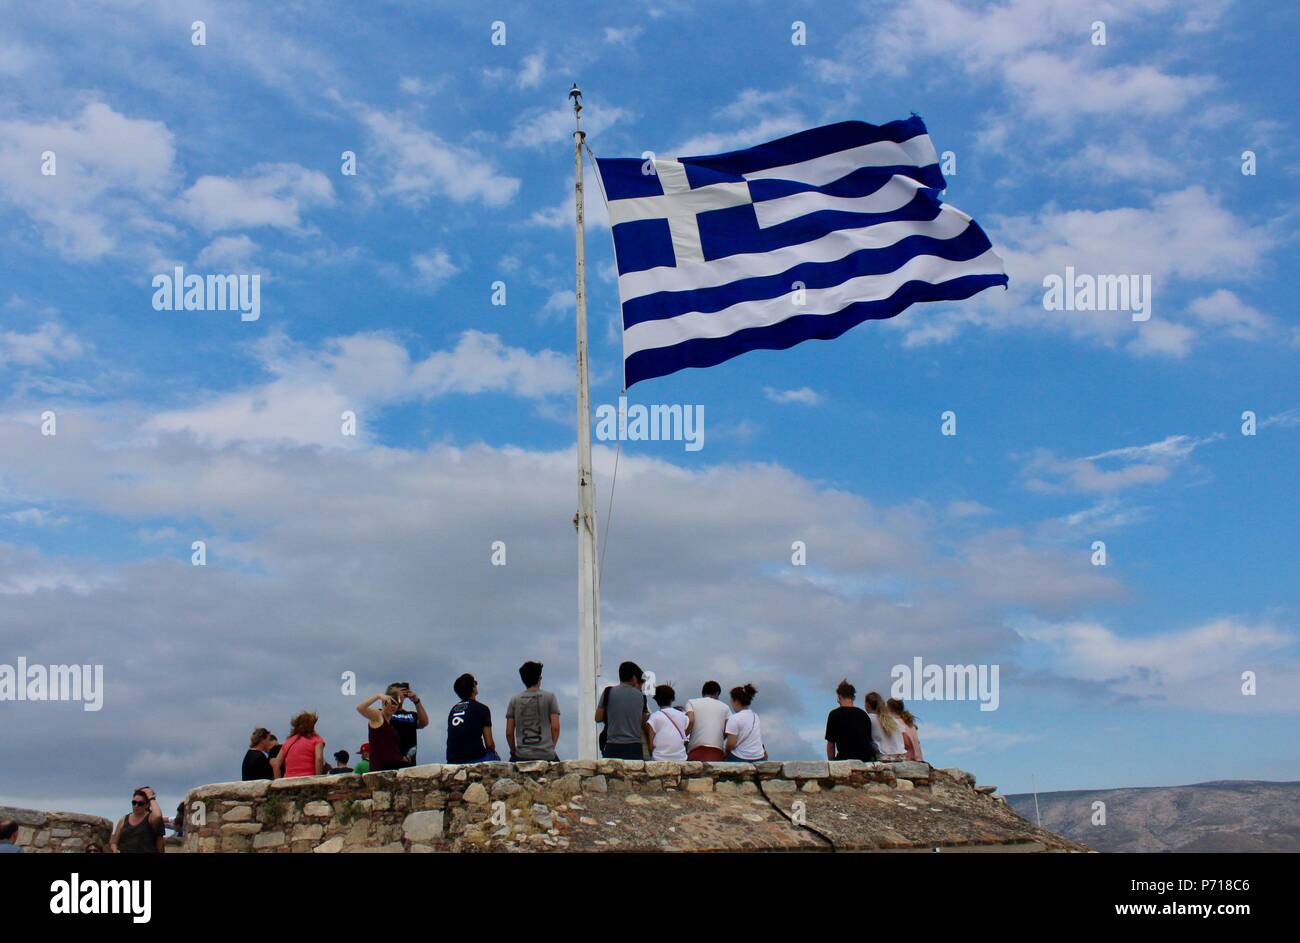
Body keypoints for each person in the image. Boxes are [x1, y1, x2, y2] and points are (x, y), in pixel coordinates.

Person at [505, 661, 561, 761]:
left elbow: (509, 732)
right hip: (546, 755)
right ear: (539, 678)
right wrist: (551, 748)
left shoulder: (514, 700)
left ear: (523, 679)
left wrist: (513, 751)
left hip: (522, 756)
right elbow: (555, 727)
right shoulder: (550, 697)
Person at [595, 661, 649, 760]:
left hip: (612, 746)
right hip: (634, 747)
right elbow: (643, 723)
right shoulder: (642, 697)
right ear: (634, 678)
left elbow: (598, 718)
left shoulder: (608, 692)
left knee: (611, 775)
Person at [446, 673, 498, 763]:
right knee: (495, 758)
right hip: (474, 758)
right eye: (475, 683)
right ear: (473, 688)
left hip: (452, 760)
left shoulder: (453, 710)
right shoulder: (482, 709)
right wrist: (493, 753)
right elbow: (489, 744)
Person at [824, 679, 879, 762]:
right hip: (865, 760)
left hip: (844, 759)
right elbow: (869, 742)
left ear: (839, 696)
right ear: (853, 697)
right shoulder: (863, 715)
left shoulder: (834, 715)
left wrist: (831, 762)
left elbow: (831, 744)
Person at [356, 691, 404, 772]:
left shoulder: (391, 724)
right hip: (380, 769)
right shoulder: (378, 716)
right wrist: (377, 696)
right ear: (383, 704)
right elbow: (360, 708)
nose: (391, 705)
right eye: (388, 703)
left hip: (393, 768)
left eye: (394, 703)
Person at [685, 680, 731, 761]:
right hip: (717, 750)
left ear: (703, 692)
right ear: (717, 693)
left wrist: (684, 736)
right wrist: (720, 737)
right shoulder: (725, 707)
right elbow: (729, 728)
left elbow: (691, 720)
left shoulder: (691, 702)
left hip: (695, 749)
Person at [110, 787, 164, 853]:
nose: (136, 806)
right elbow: (114, 841)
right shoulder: (124, 819)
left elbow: (158, 816)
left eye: (140, 804)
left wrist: (151, 798)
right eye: (134, 802)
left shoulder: (150, 818)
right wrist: (115, 850)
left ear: (147, 805)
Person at [387, 682, 428, 766]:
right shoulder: (383, 713)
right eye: (395, 693)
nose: (400, 694)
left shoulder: (411, 714)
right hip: (389, 763)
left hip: (409, 762)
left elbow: (424, 722)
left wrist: (416, 701)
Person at [273, 711, 326, 778]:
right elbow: (319, 759)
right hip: (308, 779)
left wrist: (278, 783)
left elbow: (276, 764)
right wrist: (318, 779)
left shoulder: (288, 741)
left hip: (288, 781)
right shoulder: (317, 739)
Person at [645, 684, 689, 761]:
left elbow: (650, 746)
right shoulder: (683, 716)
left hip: (659, 759)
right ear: (672, 699)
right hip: (681, 758)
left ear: (657, 700)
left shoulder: (654, 717)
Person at [724, 683, 767, 761]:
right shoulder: (755, 716)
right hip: (759, 756)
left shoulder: (734, 718)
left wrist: (725, 752)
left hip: (741, 757)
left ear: (736, 701)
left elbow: (731, 744)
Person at [864, 692, 907, 760]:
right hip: (901, 757)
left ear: (867, 705)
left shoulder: (868, 718)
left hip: (883, 758)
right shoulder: (893, 719)